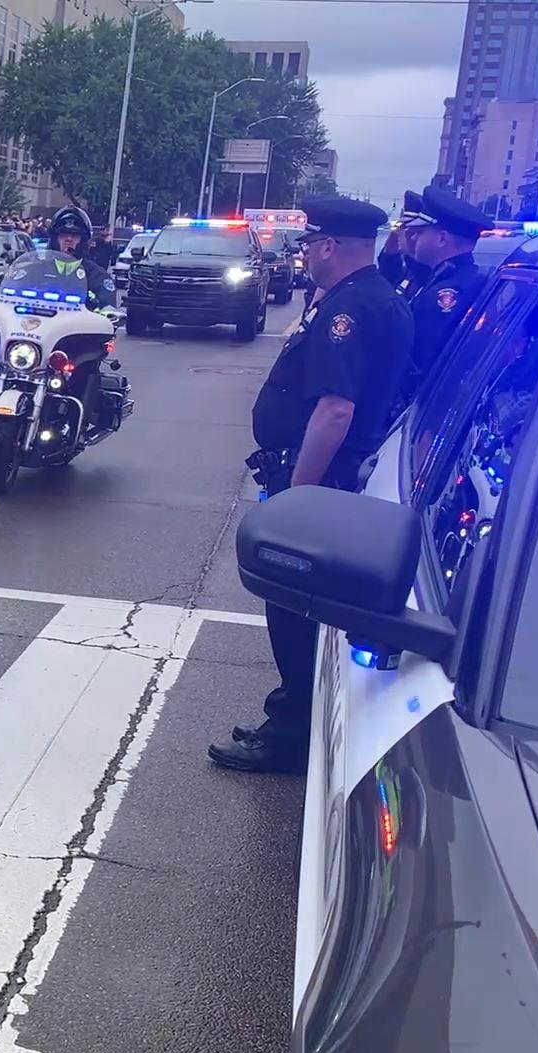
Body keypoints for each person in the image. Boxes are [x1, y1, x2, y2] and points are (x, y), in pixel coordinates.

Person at [210, 196, 412, 774]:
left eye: (308, 245)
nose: (304, 257)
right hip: (341, 475)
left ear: (329, 246)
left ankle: (290, 733)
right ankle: (298, 718)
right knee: (303, 608)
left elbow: (335, 409)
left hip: (320, 478)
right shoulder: (380, 300)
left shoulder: (349, 310)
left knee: (293, 606)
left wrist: (298, 497)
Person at [395, 184, 491, 411]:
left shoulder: (449, 293)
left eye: (421, 232)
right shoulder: (447, 278)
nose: (414, 237)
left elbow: (421, 367)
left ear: (442, 239)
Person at [12, 206, 117, 309]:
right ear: (54, 239)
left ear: (83, 240)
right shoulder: (35, 270)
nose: (68, 239)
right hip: (40, 324)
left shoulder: (98, 276)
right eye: (63, 234)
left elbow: (109, 308)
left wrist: (107, 312)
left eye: (74, 235)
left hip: (81, 326)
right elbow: (11, 295)